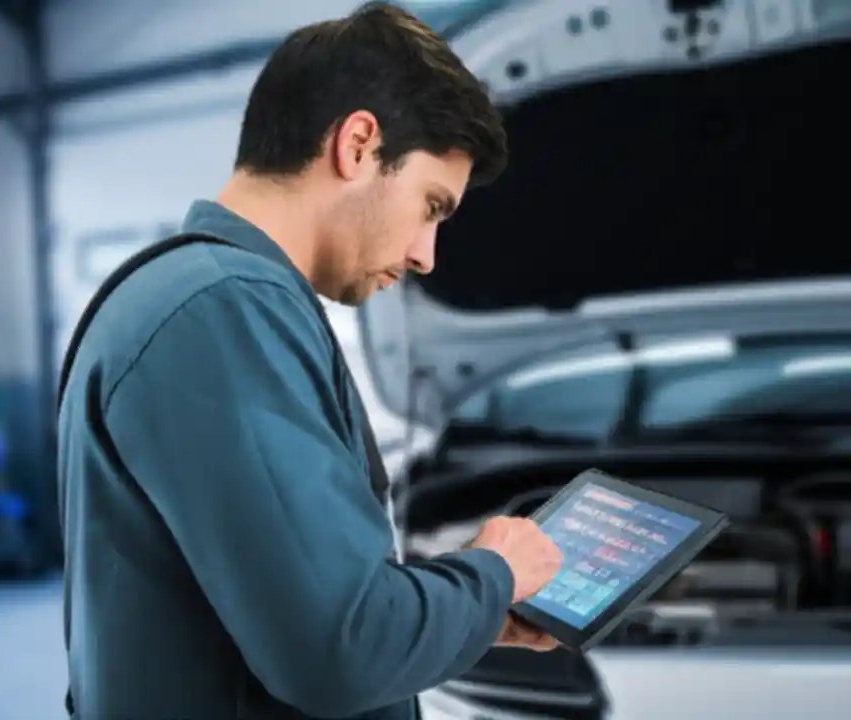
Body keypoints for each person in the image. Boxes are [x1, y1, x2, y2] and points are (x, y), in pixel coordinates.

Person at [56, 3, 564, 718]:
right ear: (358, 145)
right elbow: (341, 648)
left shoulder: (205, 298)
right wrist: (495, 574)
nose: (426, 255)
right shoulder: (223, 310)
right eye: (431, 206)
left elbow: (303, 606)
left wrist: (470, 617)